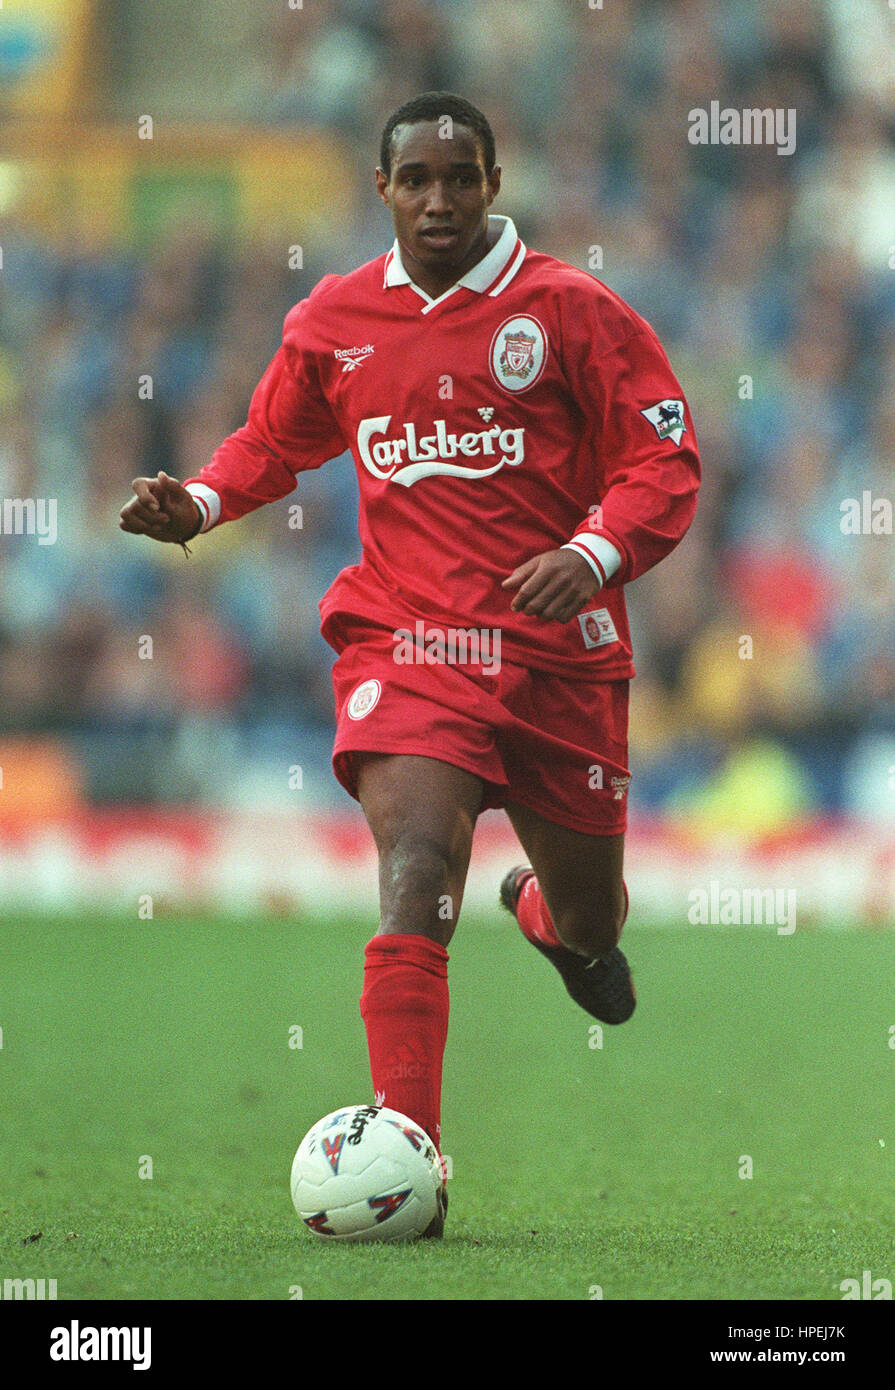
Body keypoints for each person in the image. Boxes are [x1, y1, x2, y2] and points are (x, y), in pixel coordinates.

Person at [120, 92, 700, 1237]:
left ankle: (552, 918)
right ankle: (409, 1159)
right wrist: (194, 498)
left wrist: (590, 554)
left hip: (560, 654)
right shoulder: (334, 320)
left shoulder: (573, 311)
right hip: (411, 639)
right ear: (380, 187)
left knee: (594, 917)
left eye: (460, 176)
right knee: (418, 861)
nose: (439, 197)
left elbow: (664, 459)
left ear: (494, 181)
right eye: (417, 178)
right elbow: (273, 442)